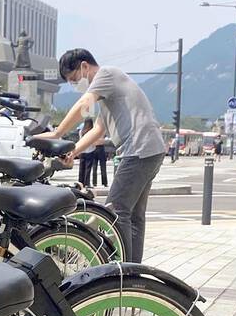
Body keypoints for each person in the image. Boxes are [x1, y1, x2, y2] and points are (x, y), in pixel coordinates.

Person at [53, 48, 165, 259]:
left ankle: (121, 268)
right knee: (133, 216)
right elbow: (98, 130)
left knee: (115, 211)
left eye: (73, 79)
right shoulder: (107, 93)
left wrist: (57, 133)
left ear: (85, 66)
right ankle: (133, 268)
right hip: (149, 150)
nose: (74, 85)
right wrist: (72, 152)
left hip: (138, 150)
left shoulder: (107, 74)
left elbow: (83, 104)